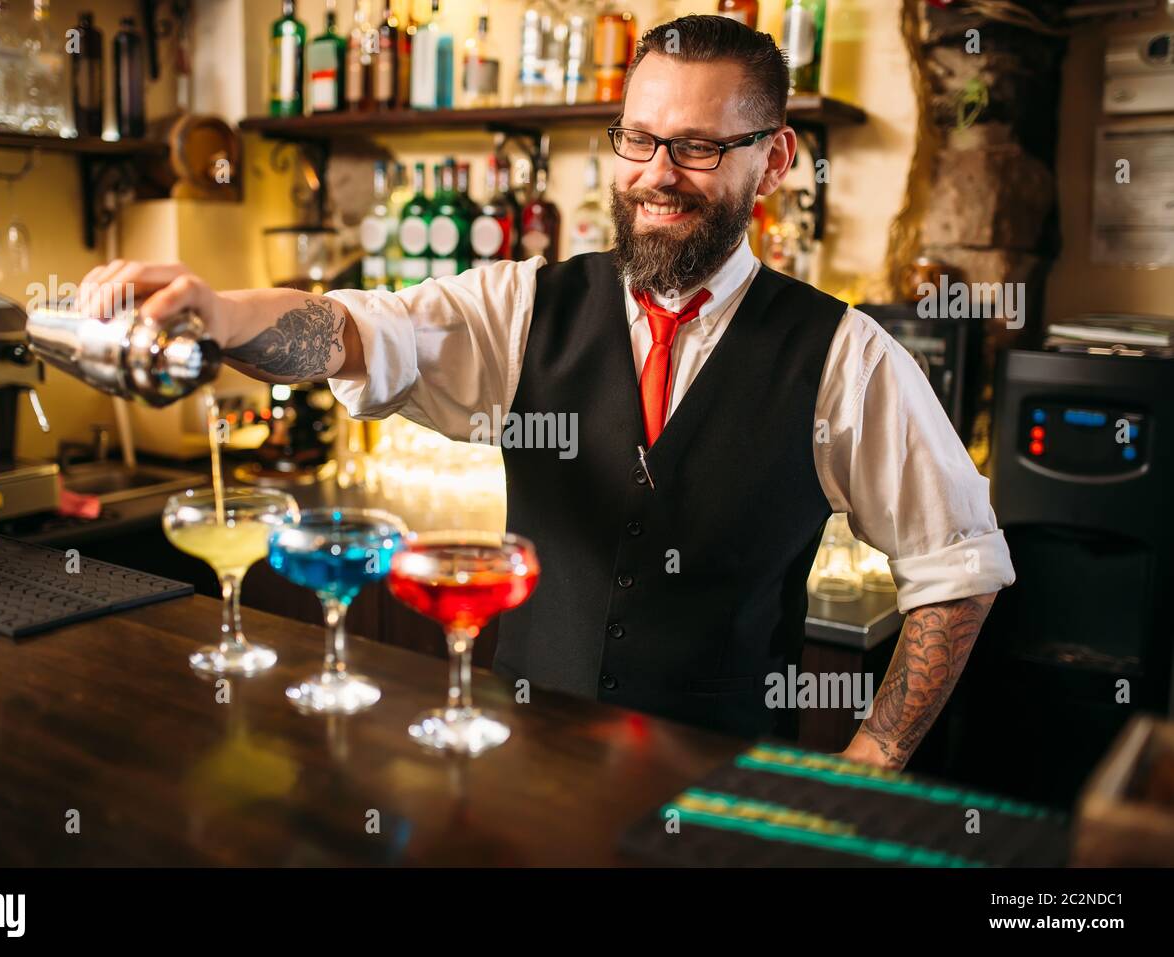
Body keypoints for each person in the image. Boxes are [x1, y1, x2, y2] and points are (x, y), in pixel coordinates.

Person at [77, 15, 1013, 769]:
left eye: (694, 148)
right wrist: (219, 313)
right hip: (522, 765)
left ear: (772, 159)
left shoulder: (845, 356)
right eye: (638, 139)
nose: (653, 175)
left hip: (719, 792)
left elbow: (958, 567)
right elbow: (354, 331)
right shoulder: (527, 303)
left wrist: (873, 754)